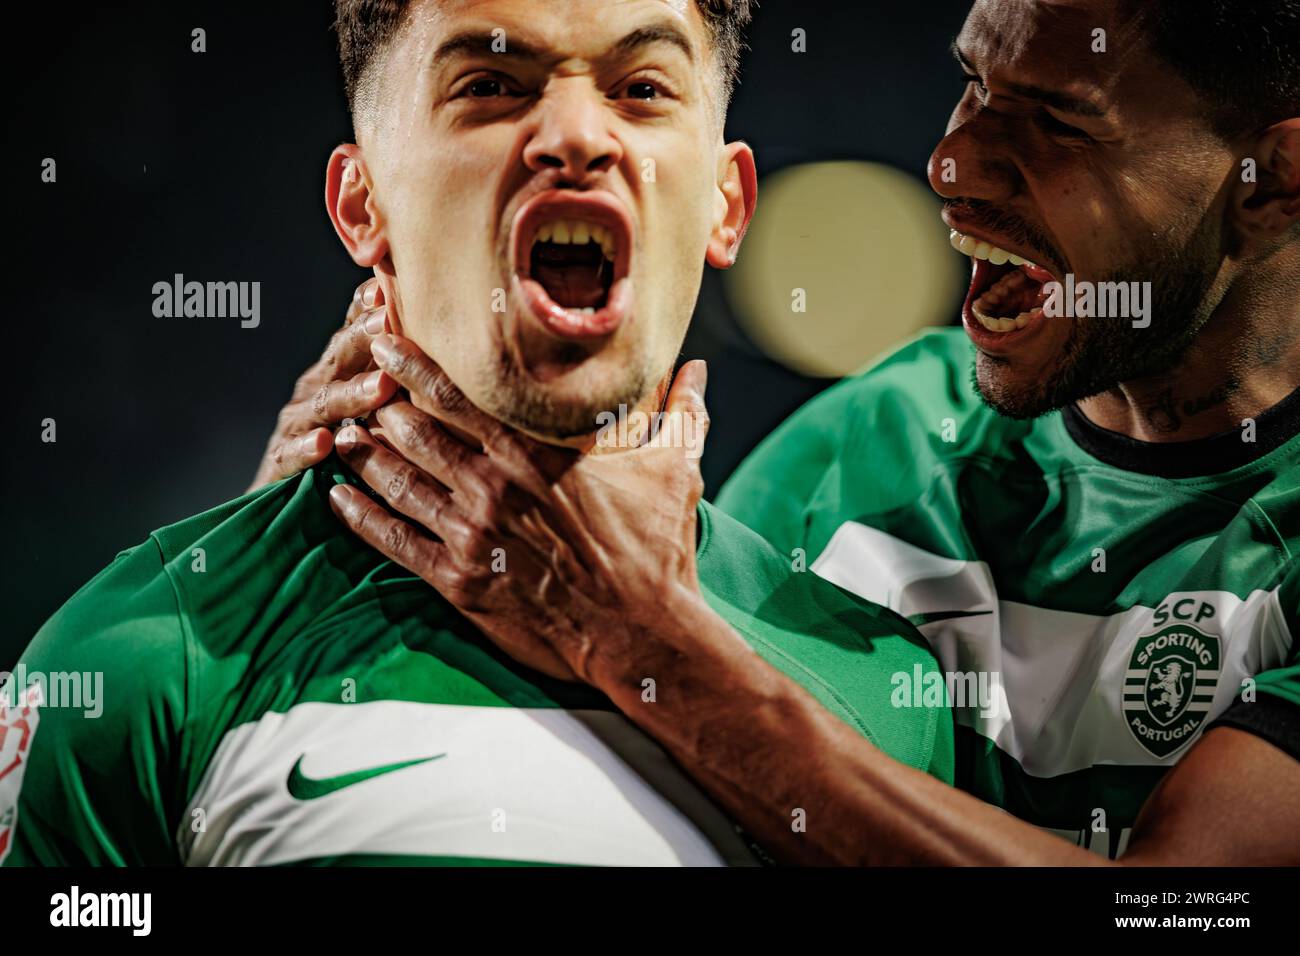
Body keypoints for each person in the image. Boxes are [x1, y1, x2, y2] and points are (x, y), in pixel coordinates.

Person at [317, 0, 1300, 864]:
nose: (951, 163)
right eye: (972, 85)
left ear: (1271, 180)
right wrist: (299, 527)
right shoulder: (871, 442)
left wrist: (645, 638)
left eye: (1055, 120)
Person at [0, 0, 951, 867]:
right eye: (492, 85)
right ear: (360, 204)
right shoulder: (128, 665)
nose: (577, 135)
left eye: (642, 89)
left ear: (725, 203)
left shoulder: (886, 702)